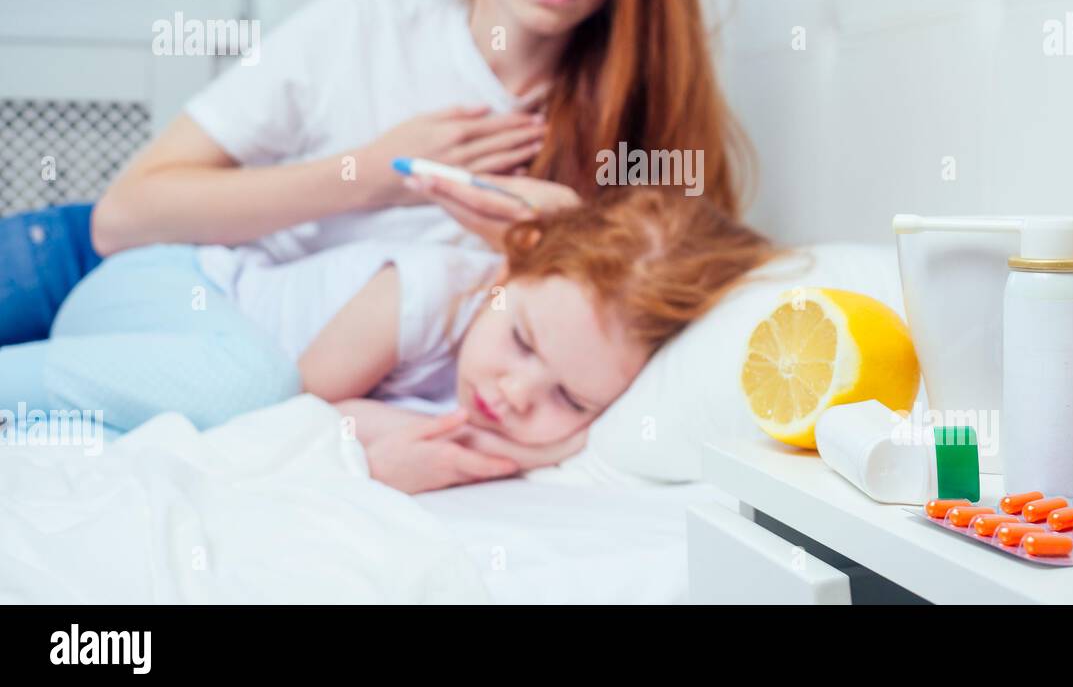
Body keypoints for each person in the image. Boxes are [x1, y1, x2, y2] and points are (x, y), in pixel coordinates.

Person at [0, 0, 752, 347]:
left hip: (212, 352)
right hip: (80, 263)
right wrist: (372, 175)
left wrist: (551, 244)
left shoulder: (621, 139)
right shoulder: (359, 26)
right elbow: (124, 216)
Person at [0, 188, 776, 493]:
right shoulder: (430, 289)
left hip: (154, 367)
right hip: (152, 292)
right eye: (523, 342)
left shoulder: (562, 378)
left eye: (571, 399)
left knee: (123, 452)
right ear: (512, 267)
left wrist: (541, 448)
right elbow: (296, 412)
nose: (515, 393)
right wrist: (530, 446)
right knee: (255, 387)